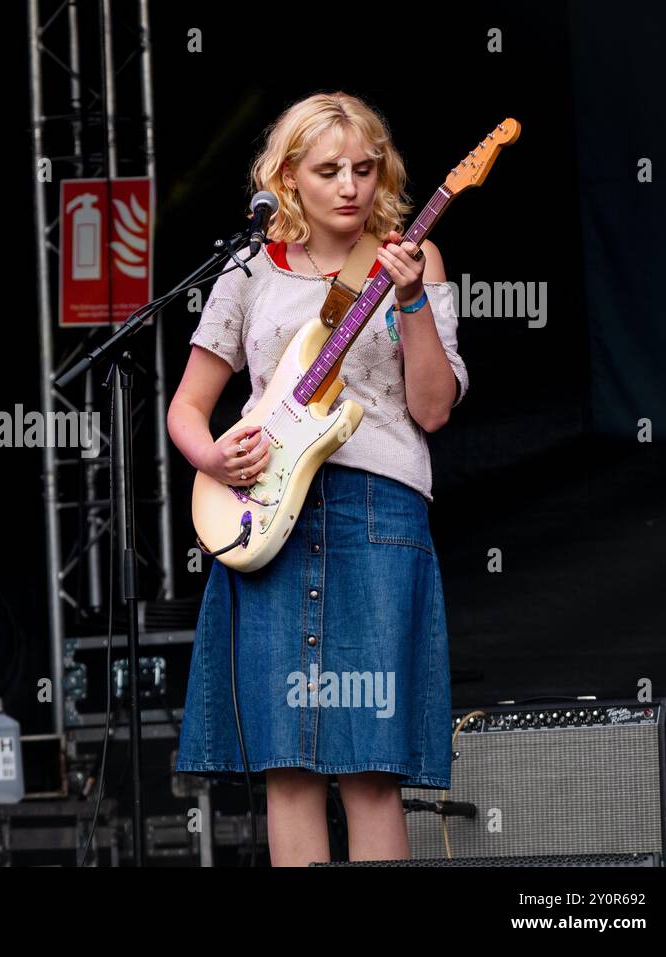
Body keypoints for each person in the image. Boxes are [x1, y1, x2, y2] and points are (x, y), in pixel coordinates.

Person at [167, 92, 468, 866]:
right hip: (268, 521)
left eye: (365, 169)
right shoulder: (249, 268)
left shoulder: (414, 258)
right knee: (287, 768)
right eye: (328, 169)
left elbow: (432, 409)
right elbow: (188, 409)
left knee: (371, 767)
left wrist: (408, 301)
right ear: (288, 176)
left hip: (376, 517)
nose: (350, 186)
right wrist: (210, 455)